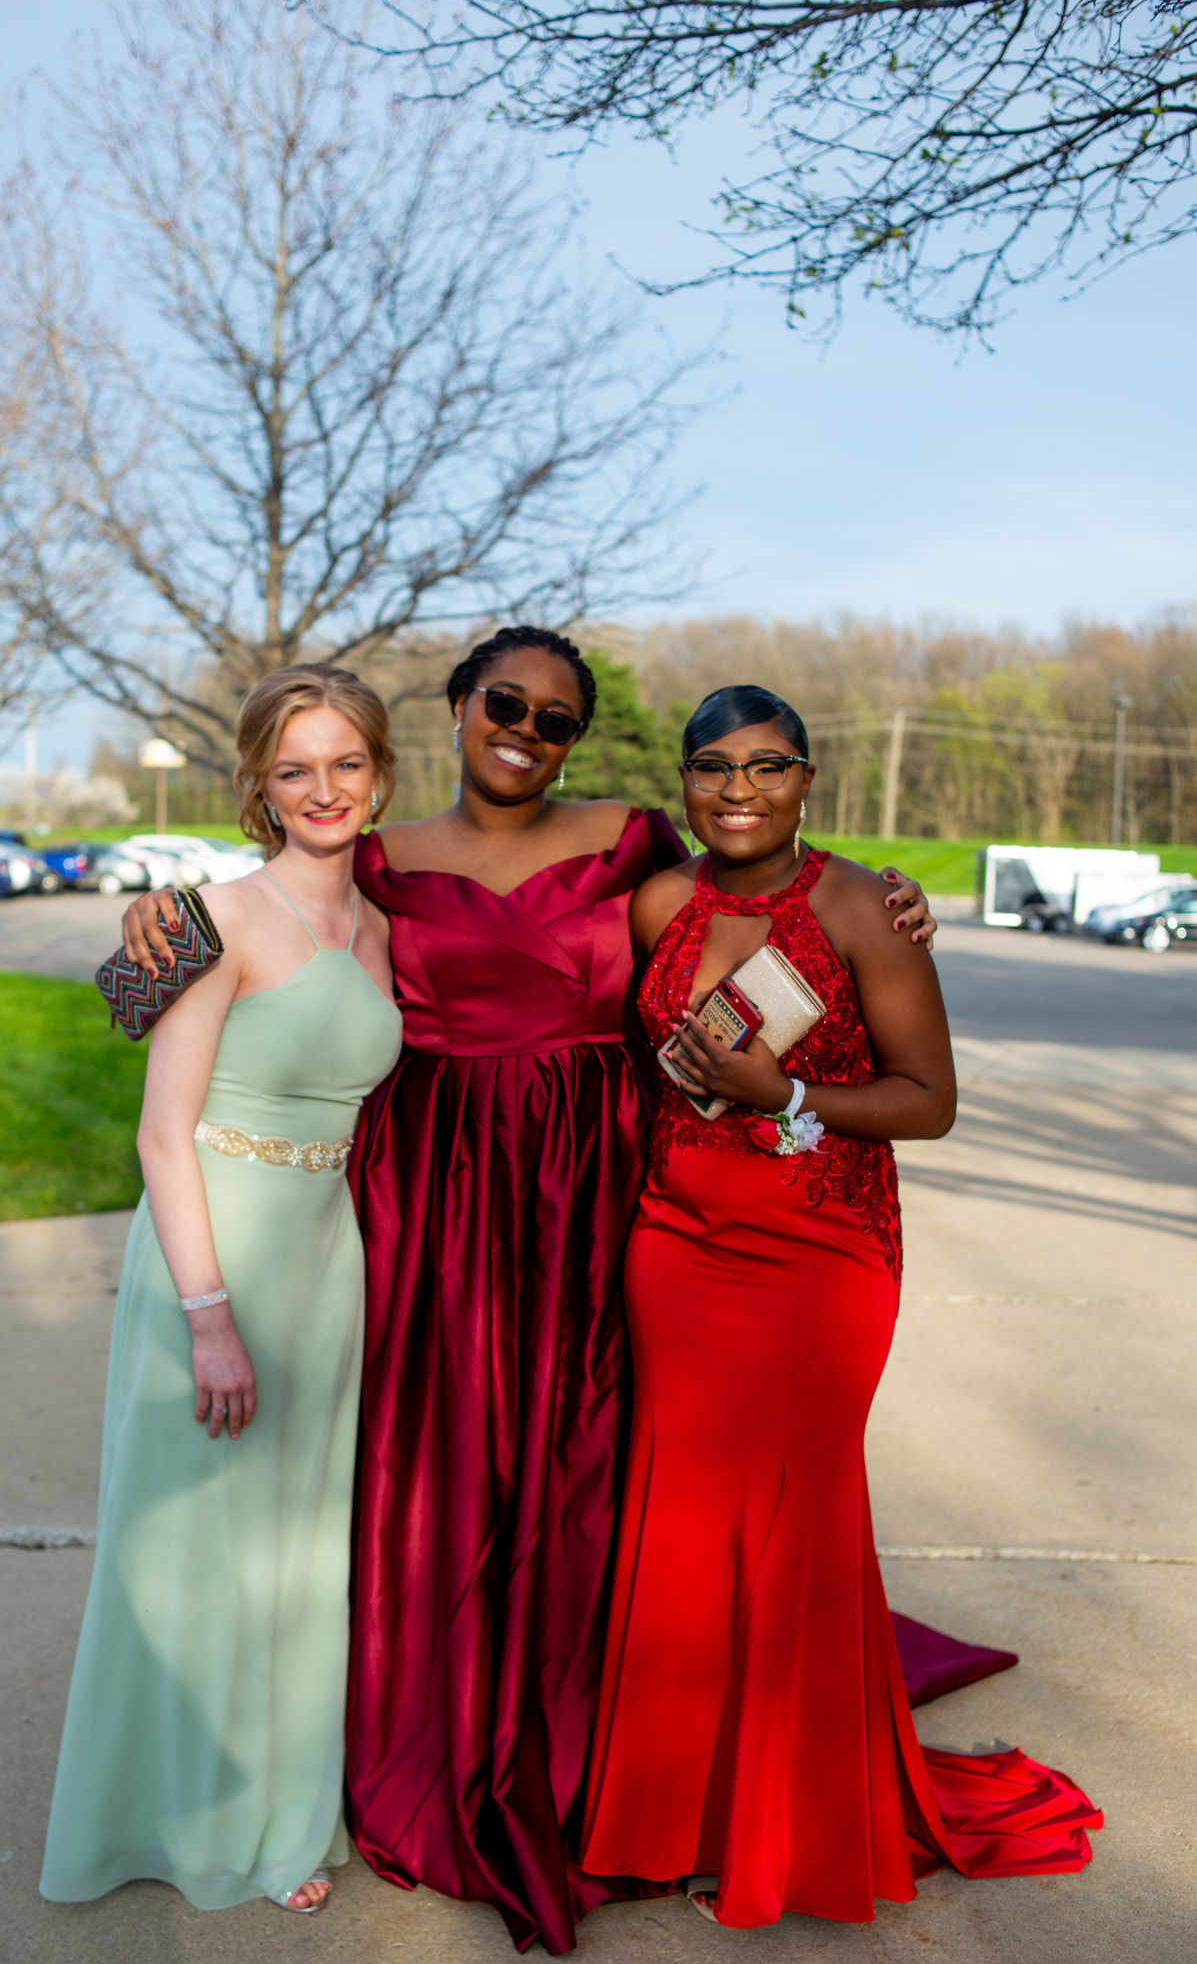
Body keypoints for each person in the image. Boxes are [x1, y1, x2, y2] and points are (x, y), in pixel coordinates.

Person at [120, 627, 939, 1954]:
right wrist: (151, 923)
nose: (525, 731)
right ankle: (414, 1743)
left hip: (585, 1190)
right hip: (425, 1197)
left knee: (580, 1474)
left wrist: (886, 897)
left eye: (556, 719)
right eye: (503, 704)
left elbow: (766, 887)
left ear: (578, 738)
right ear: (456, 708)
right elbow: (154, 987)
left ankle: (582, 1765)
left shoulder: (632, 851)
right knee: (423, 1474)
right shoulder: (371, 860)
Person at [577, 685, 1103, 1929]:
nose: (739, 790)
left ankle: (781, 1821)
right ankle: (673, 1815)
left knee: (791, 1518)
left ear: (810, 779)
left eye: (768, 767)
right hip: (674, 1248)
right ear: (685, 782)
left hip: (820, 1255)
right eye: (713, 767)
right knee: (686, 1519)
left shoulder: (865, 904)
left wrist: (784, 1094)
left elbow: (928, 1097)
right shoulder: (660, 901)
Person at [41, 665, 402, 1915]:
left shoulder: (383, 928)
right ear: (257, 785)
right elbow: (160, 1134)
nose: (323, 788)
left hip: (322, 1258)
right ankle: (165, 1816)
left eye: (344, 762)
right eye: (294, 767)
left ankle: (279, 1814)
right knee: (188, 1545)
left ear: (378, 773)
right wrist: (208, 1318)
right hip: (213, 1256)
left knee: (295, 1552)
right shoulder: (207, 917)